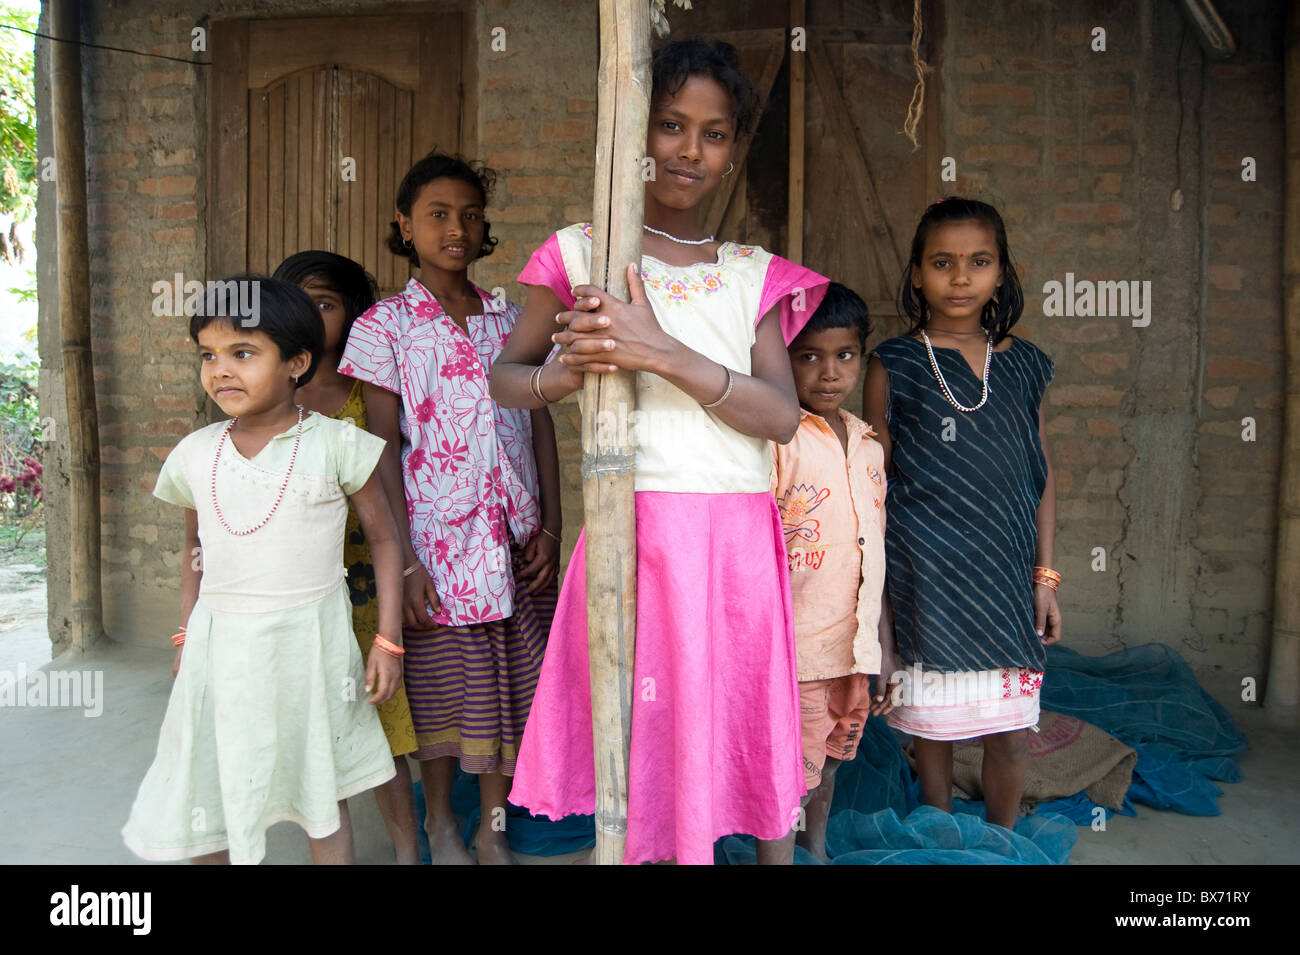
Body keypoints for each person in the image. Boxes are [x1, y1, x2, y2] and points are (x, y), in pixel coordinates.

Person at [491, 38, 830, 865]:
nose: (689, 149)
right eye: (671, 125)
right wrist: (560, 378)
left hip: (735, 541)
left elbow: (781, 417)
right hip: (634, 531)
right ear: (635, 133)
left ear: (732, 149)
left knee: (735, 717)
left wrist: (661, 351)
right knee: (644, 723)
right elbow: (507, 376)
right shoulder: (582, 253)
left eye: (713, 134)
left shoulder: (752, 273)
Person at [122, 276, 404, 865]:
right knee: (206, 778)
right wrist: (183, 632)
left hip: (311, 644)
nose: (221, 370)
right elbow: (193, 551)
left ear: (297, 362)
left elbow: (384, 539)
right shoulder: (196, 453)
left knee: (319, 788)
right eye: (208, 355)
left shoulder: (337, 444)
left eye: (242, 353)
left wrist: (387, 641)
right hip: (219, 645)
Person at [339, 151, 562, 865]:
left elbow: (541, 424)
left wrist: (551, 524)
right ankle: (439, 822)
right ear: (405, 225)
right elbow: (380, 449)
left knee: (507, 691)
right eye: (438, 214)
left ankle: (491, 827)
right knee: (440, 695)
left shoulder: (510, 319)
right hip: (436, 548)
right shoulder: (383, 327)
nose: (456, 228)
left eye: (470, 214)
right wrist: (401, 562)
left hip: (514, 537)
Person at [861, 197, 1063, 831]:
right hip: (925, 574)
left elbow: (1042, 476)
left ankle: (1001, 842)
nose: (960, 277)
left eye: (979, 262)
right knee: (934, 732)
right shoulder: (893, 363)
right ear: (917, 273)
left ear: (1001, 273)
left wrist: (1045, 577)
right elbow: (872, 480)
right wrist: (875, 597)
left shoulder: (1025, 363)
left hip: (1003, 576)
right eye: (942, 262)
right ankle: (938, 834)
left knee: (1009, 732)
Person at [273, 250, 421, 864]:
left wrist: (409, 568)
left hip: (366, 580)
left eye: (326, 303)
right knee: (313, 728)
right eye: (299, 302)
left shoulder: (367, 390)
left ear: (352, 313)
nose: (311, 314)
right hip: (299, 585)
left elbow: (395, 483)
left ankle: (410, 851)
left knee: (387, 729)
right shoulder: (269, 395)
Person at [767, 282, 897, 862]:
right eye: (809, 356)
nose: (828, 373)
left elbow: (876, 558)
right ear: (780, 358)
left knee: (833, 756)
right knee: (790, 765)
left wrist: (883, 648)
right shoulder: (778, 439)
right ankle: (779, 849)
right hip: (794, 649)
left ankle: (814, 846)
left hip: (854, 648)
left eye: (844, 356)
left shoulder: (869, 445)